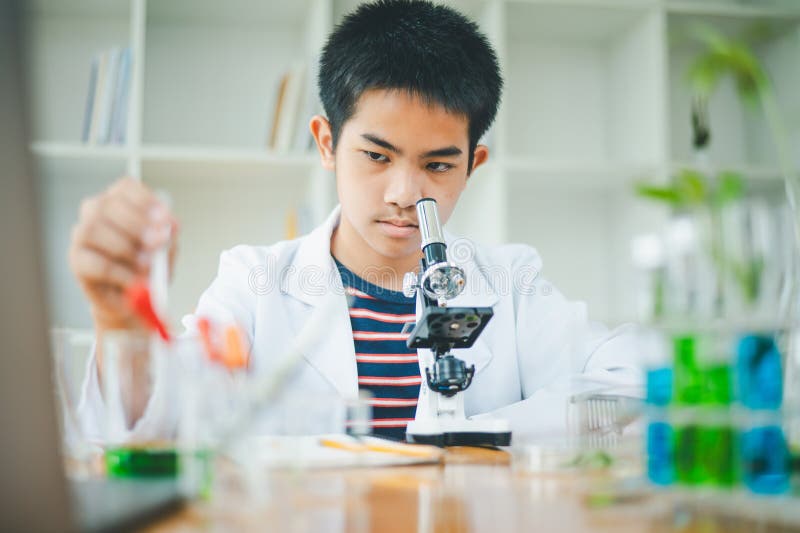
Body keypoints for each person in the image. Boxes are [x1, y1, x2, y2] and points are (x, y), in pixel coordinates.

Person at [70, 0, 640, 441]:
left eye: (438, 164)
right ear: (326, 142)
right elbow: (154, 423)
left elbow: (630, 380)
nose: (404, 193)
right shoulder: (255, 282)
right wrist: (119, 322)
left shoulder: (510, 283)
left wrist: (476, 439)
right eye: (376, 155)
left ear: (473, 165)